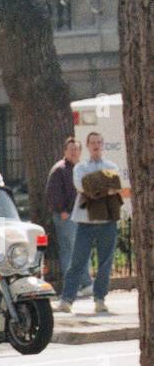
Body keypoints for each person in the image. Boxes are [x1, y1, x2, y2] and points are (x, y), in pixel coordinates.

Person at [59, 131, 125, 314]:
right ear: (87, 146)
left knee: (105, 262)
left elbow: (115, 187)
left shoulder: (111, 166)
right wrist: (102, 185)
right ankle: (67, 299)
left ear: (102, 145)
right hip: (85, 221)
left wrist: (94, 187)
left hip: (107, 220)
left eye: (98, 142)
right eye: (92, 142)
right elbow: (81, 186)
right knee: (77, 261)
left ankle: (100, 299)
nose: (96, 145)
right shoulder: (80, 168)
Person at [46, 138, 81, 293]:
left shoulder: (77, 168)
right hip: (66, 216)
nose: (74, 152)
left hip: (78, 215)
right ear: (65, 152)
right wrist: (62, 212)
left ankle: (82, 283)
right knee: (70, 250)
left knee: (77, 250)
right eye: (71, 149)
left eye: (76, 149)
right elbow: (53, 193)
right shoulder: (60, 169)